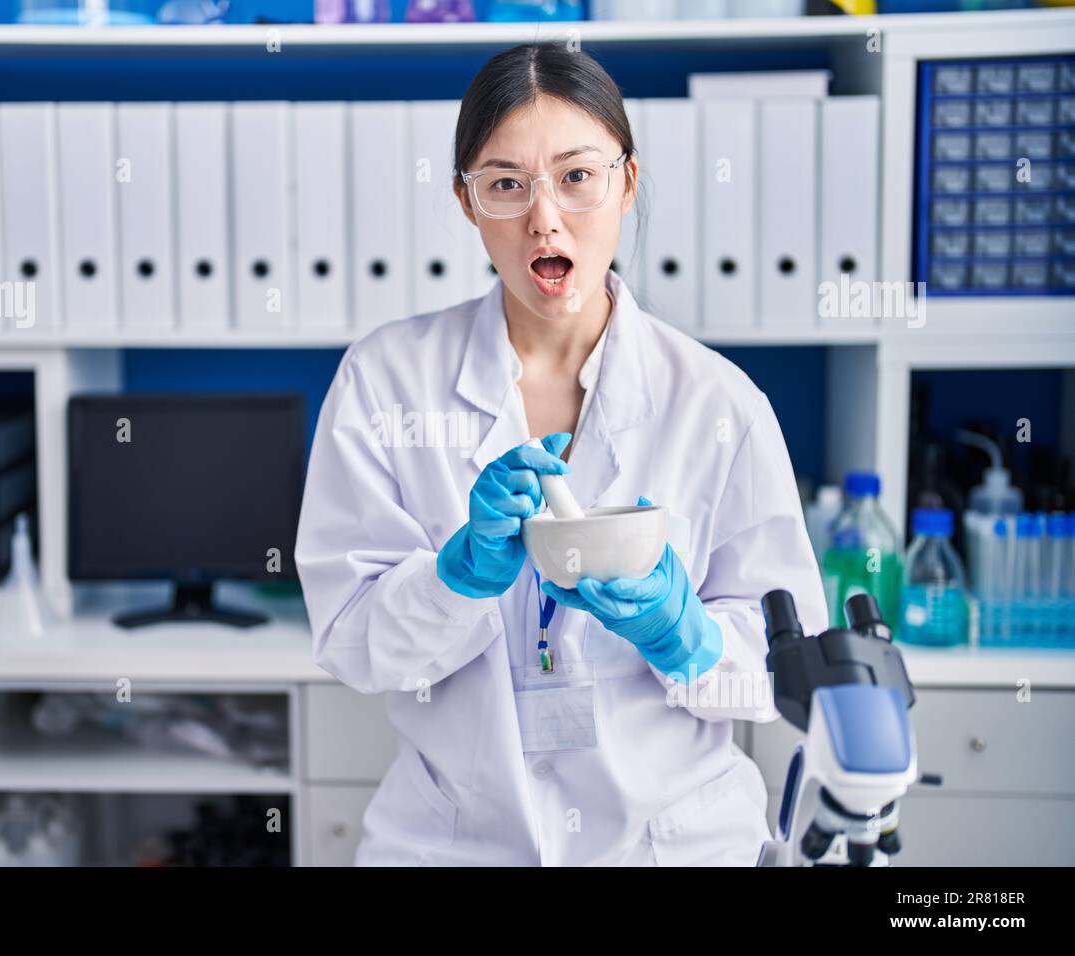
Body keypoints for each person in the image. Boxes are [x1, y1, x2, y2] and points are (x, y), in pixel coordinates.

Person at [295, 42, 828, 866]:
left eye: (578, 176)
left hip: (670, 845)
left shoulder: (720, 405)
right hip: (455, 843)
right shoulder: (384, 383)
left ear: (627, 182)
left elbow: (788, 669)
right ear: (468, 206)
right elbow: (352, 643)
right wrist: (454, 578)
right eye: (506, 184)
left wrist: (685, 637)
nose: (545, 218)